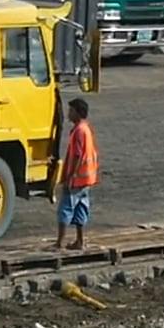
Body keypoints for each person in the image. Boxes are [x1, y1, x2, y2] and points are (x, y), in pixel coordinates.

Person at [55, 98, 99, 251]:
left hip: (77, 179)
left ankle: (59, 242)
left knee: (65, 209)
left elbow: (77, 156)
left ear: (78, 113)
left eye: (71, 110)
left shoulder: (79, 131)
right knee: (81, 208)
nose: (68, 113)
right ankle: (79, 241)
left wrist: (69, 176)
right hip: (87, 178)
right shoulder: (86, 129)